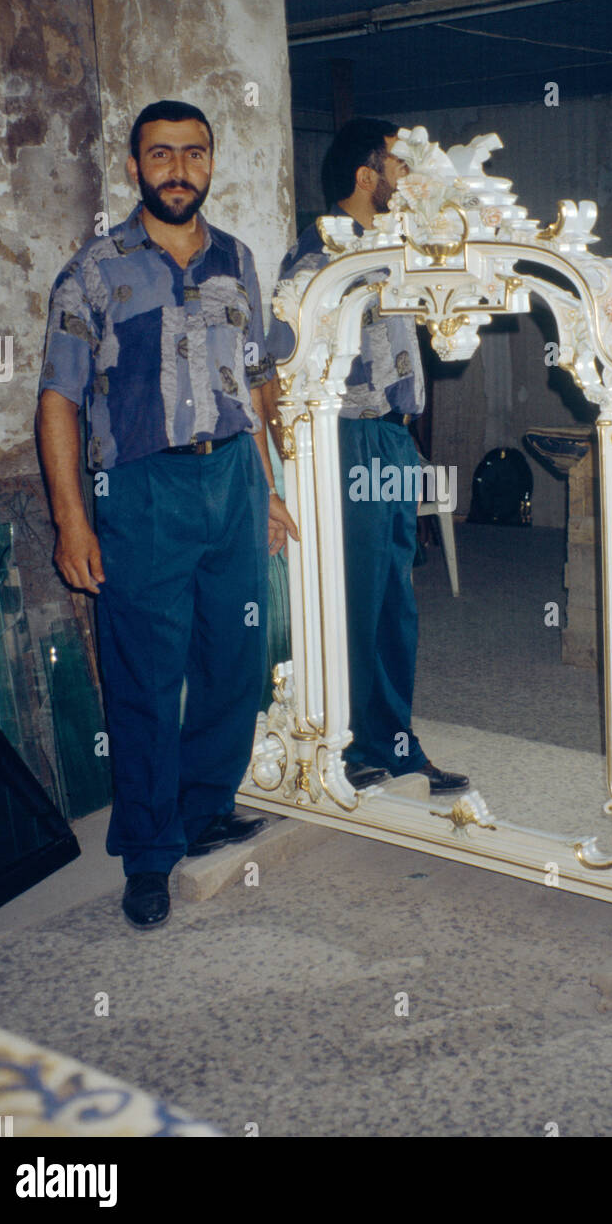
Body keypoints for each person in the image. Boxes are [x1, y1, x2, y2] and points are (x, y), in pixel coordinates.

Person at [36, 99, 297, 929]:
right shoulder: (96, 269)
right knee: (147, 675)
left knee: (234, 657)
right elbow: (58, 401)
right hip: (142, 491)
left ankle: (207, 805)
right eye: (161, 155)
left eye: (193, 154)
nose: (178, 169)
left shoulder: (238, 260)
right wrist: (74, 522)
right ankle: (148, 852)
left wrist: (269, 485)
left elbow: (257, 383)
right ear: (135, 167)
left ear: (210, 163)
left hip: (233, 484)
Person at [263, 118, 468, 796]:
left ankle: (393, 740)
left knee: (393, 599)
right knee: (350, 598)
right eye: (398, 167)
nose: (406, 179)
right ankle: (347, 744)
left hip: (390, 437)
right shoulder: (319, 258)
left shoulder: (392, 246)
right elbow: (281, 365)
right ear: (365, 174)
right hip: (346, 436)